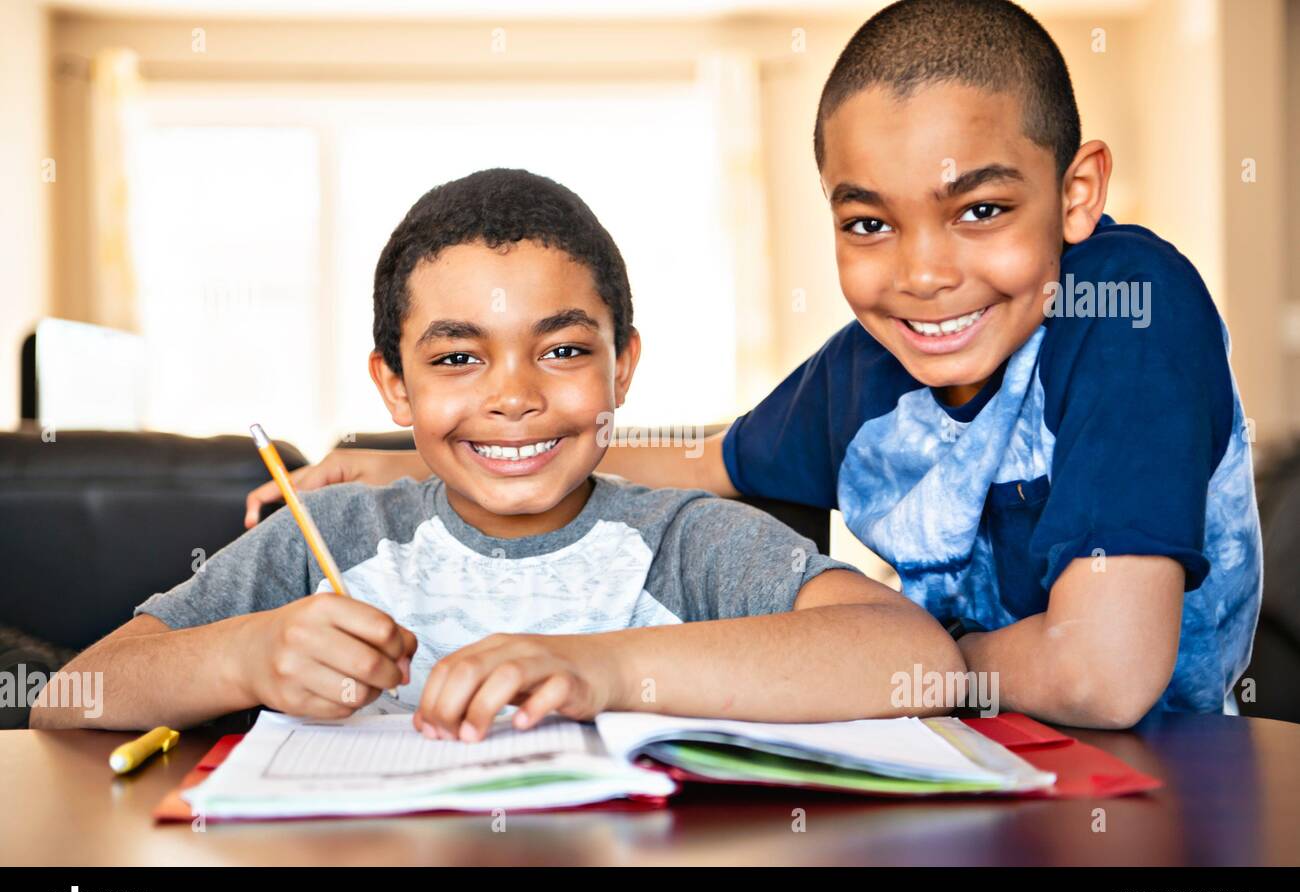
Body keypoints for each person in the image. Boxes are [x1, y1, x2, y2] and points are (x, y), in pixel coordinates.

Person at [254, 1, 1263, 729]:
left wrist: (893, 662)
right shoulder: (865, 369)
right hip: (953, 758)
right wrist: (400, 464)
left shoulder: (1128, 305)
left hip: (1167, 783)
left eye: (981, 211)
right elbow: (698, 462)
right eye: (869, 221)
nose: (921, 274)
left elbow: (1101, 675)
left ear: (1076, 193)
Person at [33, 168, 961, 736]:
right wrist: (240, 658)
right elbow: (69, 696)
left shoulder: (684, 540)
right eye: (456, 357)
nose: (513, 395)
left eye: (562, 351)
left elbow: (914, 659)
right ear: (395, 385)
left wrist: (601, 668)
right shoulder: (334, 537)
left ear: (622, 368)